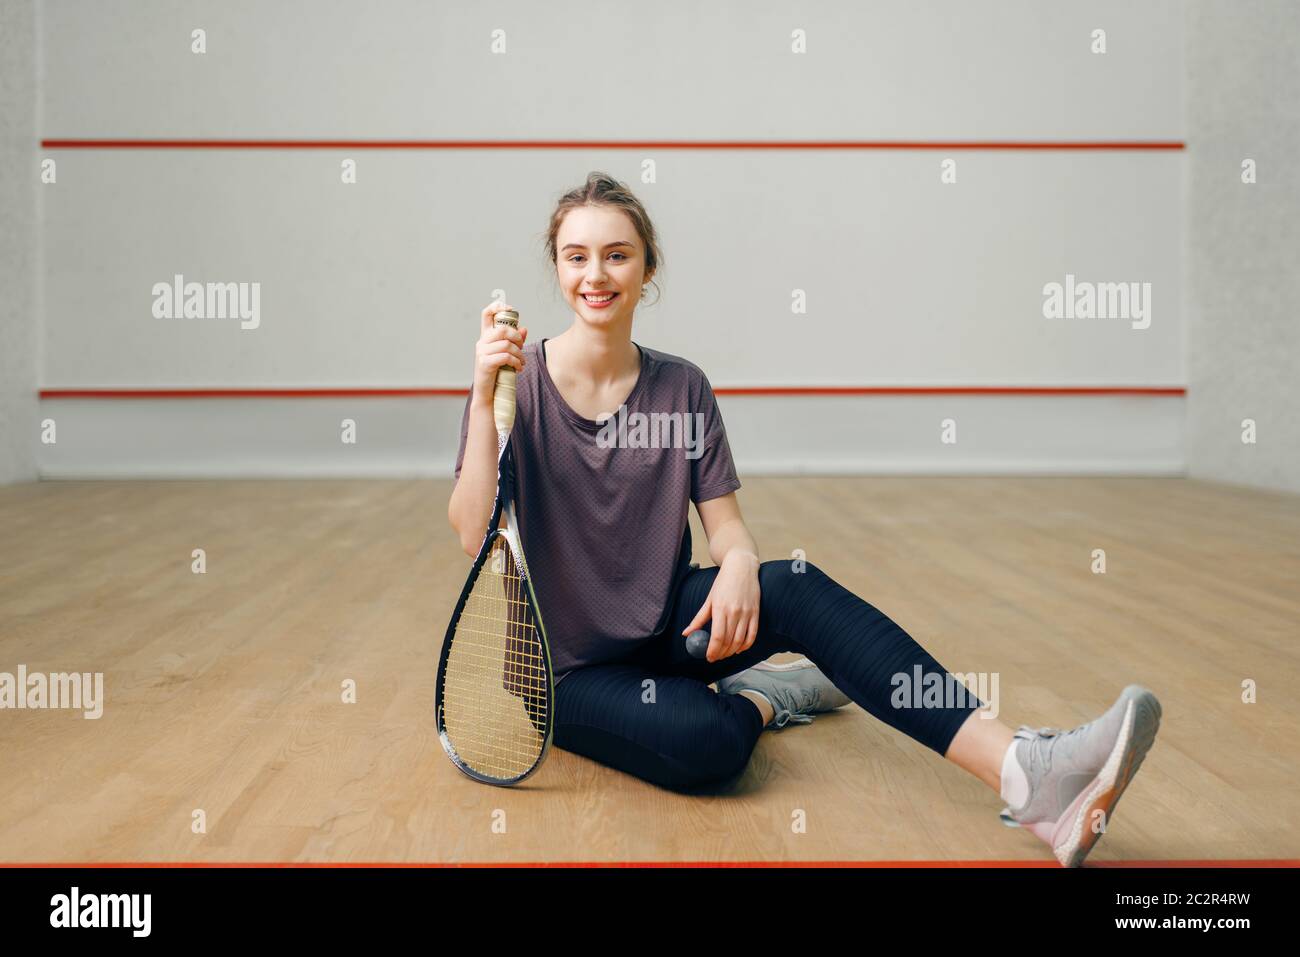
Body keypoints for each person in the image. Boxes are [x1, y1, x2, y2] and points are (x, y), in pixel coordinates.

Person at [447, 171, 1162, 867]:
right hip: (565, 670)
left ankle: (1023, 770)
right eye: (576, 256)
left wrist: (734, 564)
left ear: (647, 268)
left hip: (669, 628)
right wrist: (483, 399)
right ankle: (767, 694)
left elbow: (727, 525)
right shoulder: (518, 387)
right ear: (557, 268)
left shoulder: (682, 385)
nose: (595, 274)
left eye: (616, 254)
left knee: (789, 580)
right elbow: (471, 531)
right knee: (707, 745)